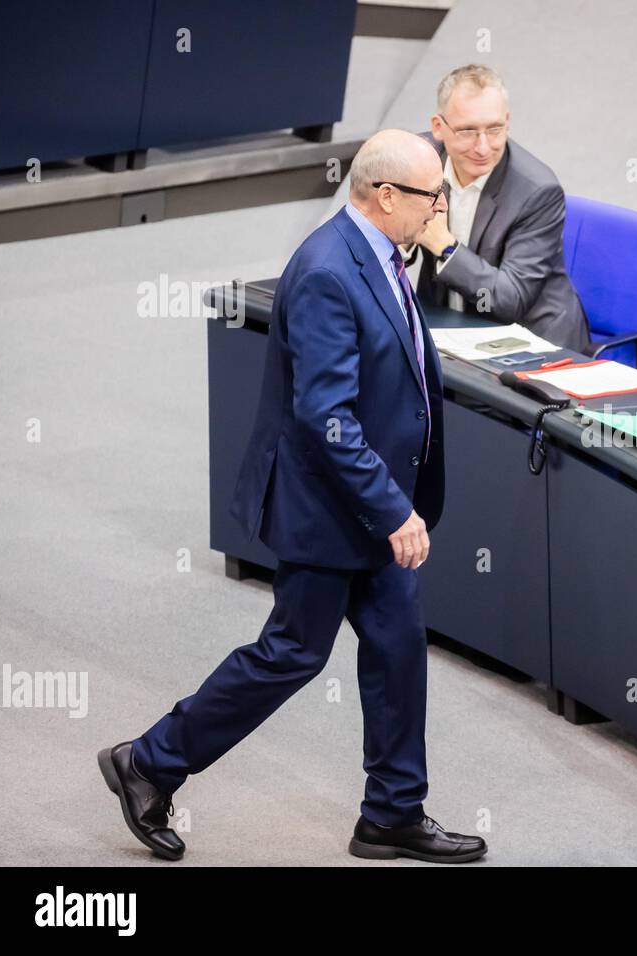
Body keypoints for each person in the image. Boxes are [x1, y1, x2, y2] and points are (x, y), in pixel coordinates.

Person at [97, 130, 488, 864]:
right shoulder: (327, 272)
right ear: (383, 196)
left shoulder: (381, 255)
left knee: (399, 645)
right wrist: (393, 508)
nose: (442, 207)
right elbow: (326, 418)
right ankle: (149, 762)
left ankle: (393, 812)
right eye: (432, 195)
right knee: (291, 655)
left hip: (369, 505)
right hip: (329, 509)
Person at [408, 64, 589, 351]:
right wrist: (407, 234)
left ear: (507, 121)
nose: (482, 147)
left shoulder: (538, 191)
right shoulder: (417, 158)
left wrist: (444, 245)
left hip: (527, 339)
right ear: (438, 127)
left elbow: (510, 298)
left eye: (494, 129)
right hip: (446, 319)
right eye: (467, 131)